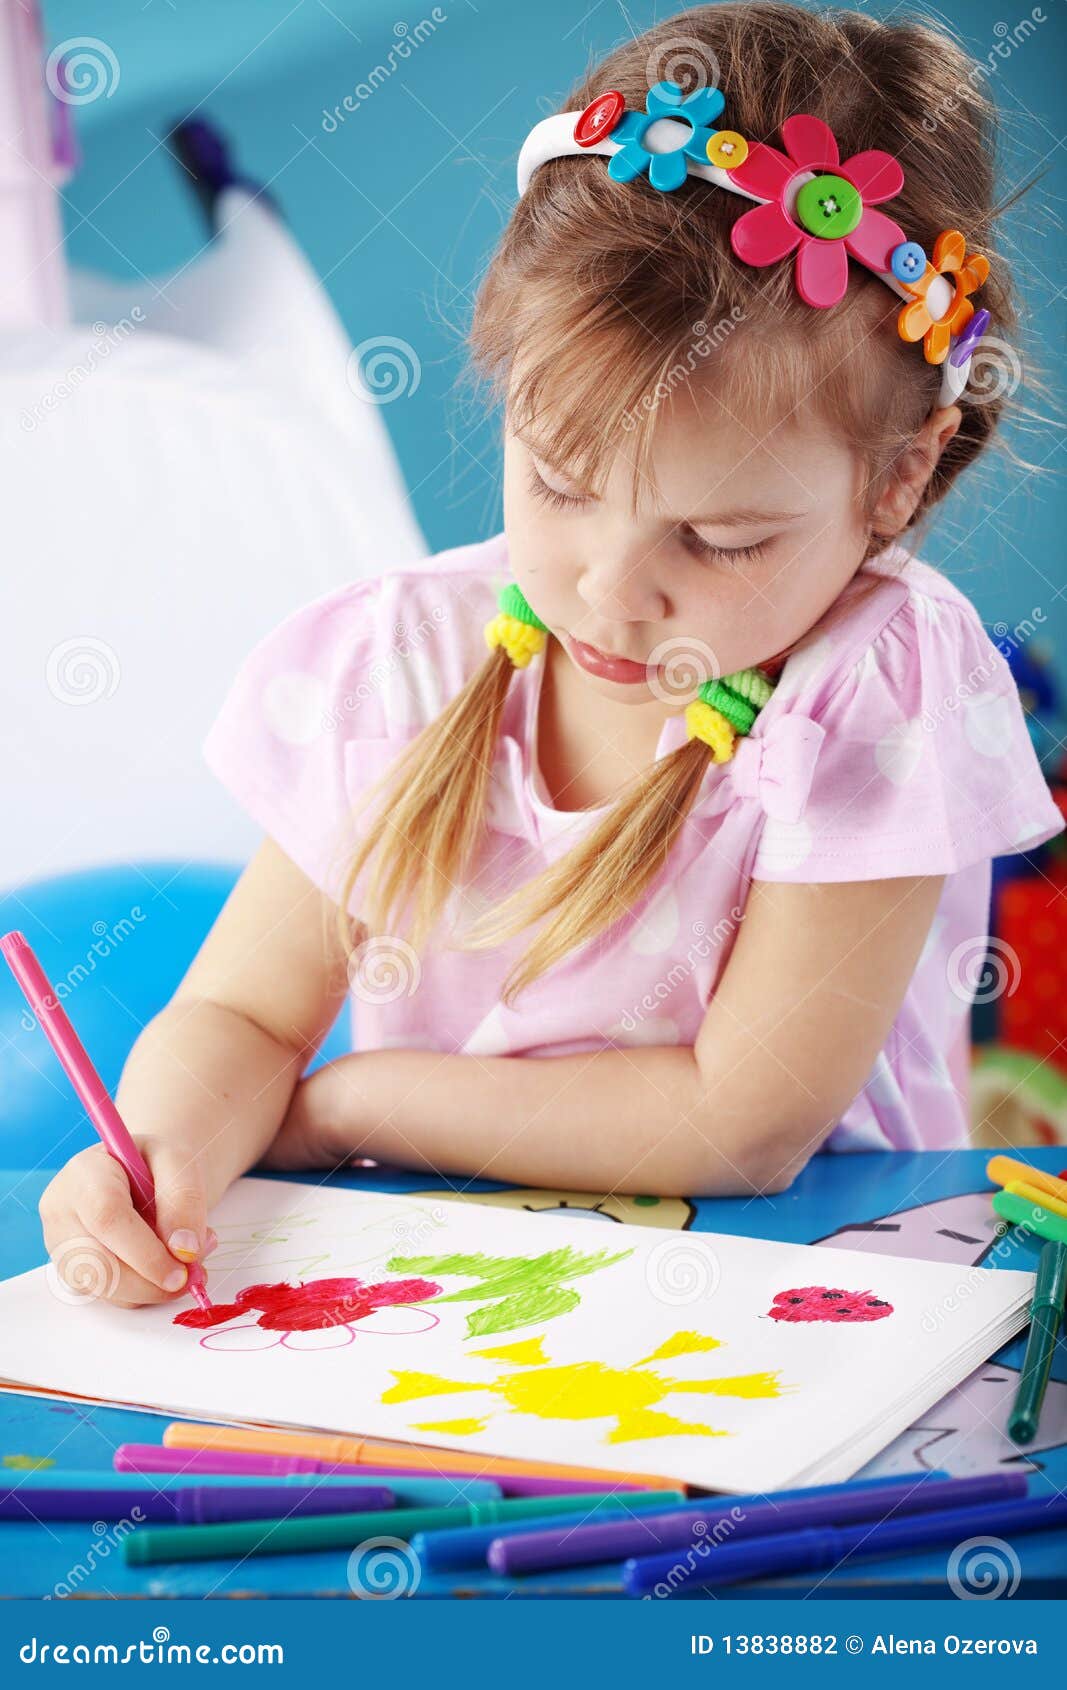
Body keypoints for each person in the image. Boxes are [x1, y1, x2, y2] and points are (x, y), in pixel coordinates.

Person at [39, 3, 1064, 1307]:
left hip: (812, 1329)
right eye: (563, 484)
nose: (613, 592)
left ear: (897, 478)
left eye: (720, 538)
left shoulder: (880, 679)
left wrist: (348, 1101)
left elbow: (741, 1122)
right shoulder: (394, 658)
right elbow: (238, 1018)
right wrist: (163, 1156)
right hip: (459, 1321)